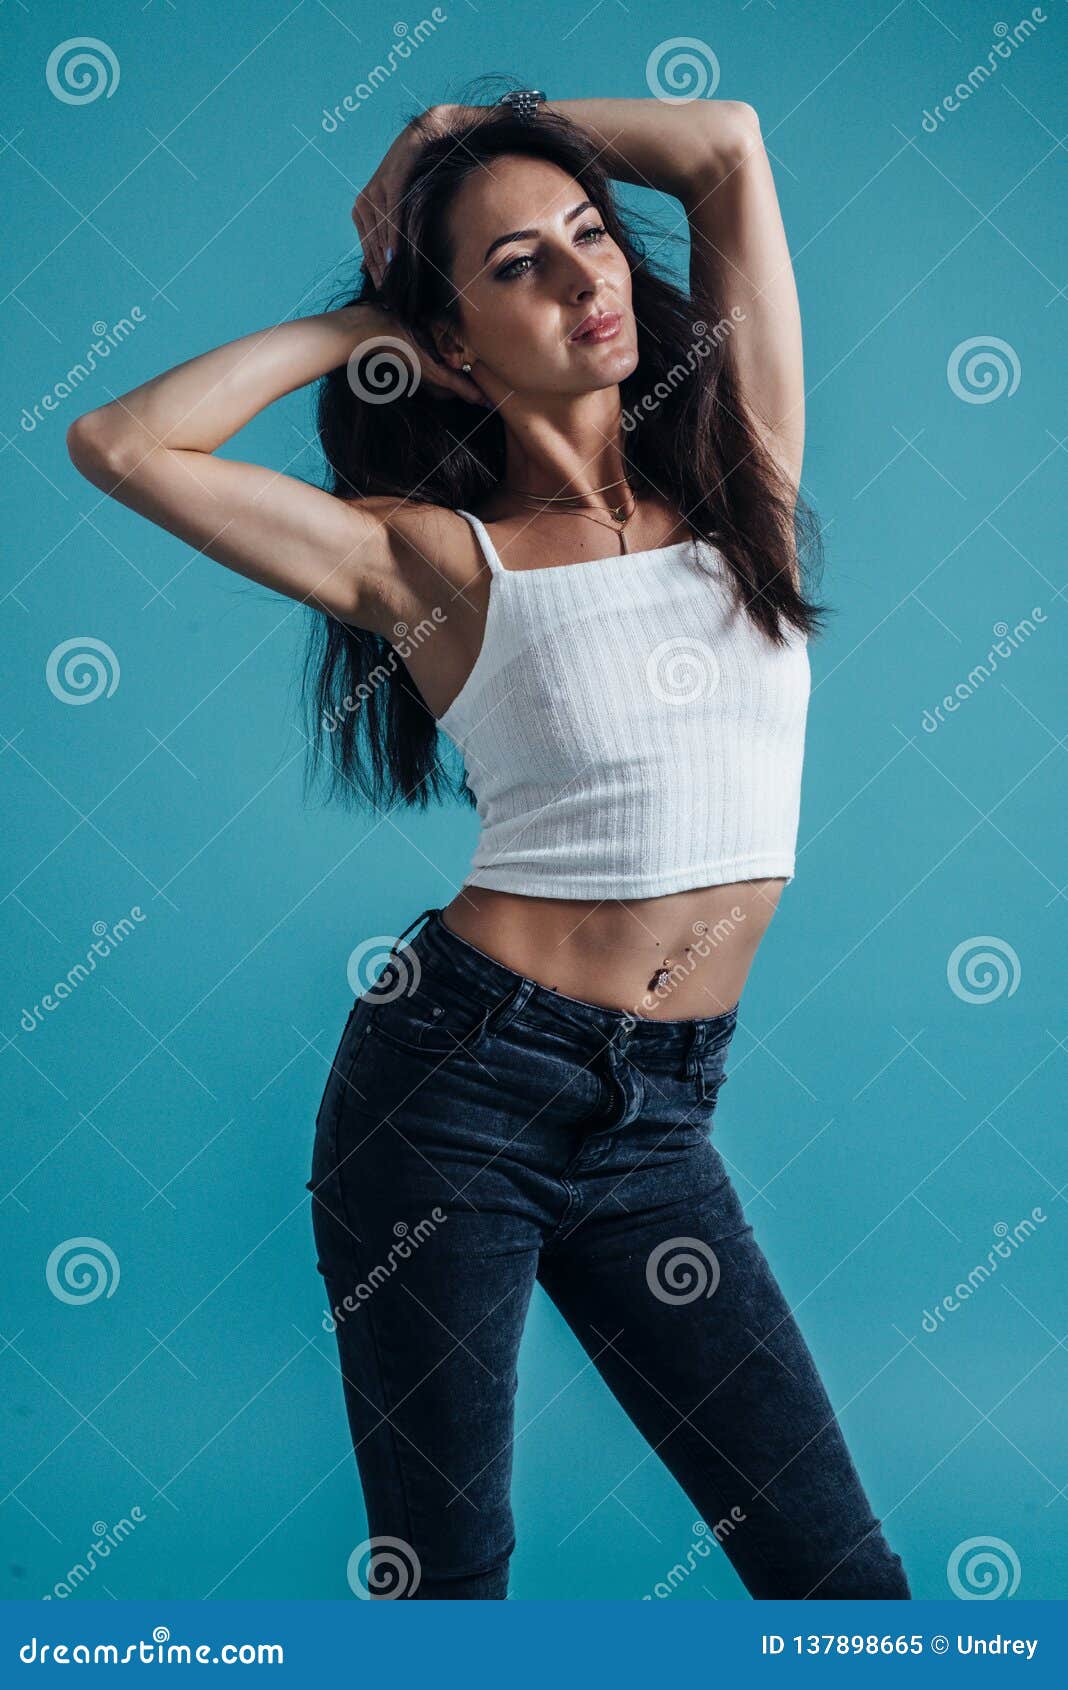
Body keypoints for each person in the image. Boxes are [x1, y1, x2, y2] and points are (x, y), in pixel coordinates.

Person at [66, 90, 910, 1602]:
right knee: (451, 1576)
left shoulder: (743, 492)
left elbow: (723, 145)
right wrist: (362, 319)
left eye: (591, 235)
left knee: (837, 1577)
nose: (589, 279)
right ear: (452, 347)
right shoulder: (430, 559)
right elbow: (121, 443)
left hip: (660, 1118)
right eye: (519, 264)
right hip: (458, 1086)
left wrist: (470, 120)